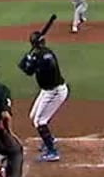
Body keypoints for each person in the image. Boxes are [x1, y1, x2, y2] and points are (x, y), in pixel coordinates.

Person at [19, 31, 69, 162]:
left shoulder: (41, 57)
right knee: (33, 116)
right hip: (47, 90)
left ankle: (52, 152)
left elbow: (29, 72)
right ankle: (49, 138)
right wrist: (29, 60)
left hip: (55, 92)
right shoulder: (45, 53)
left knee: (39, 121)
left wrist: (26, 62)